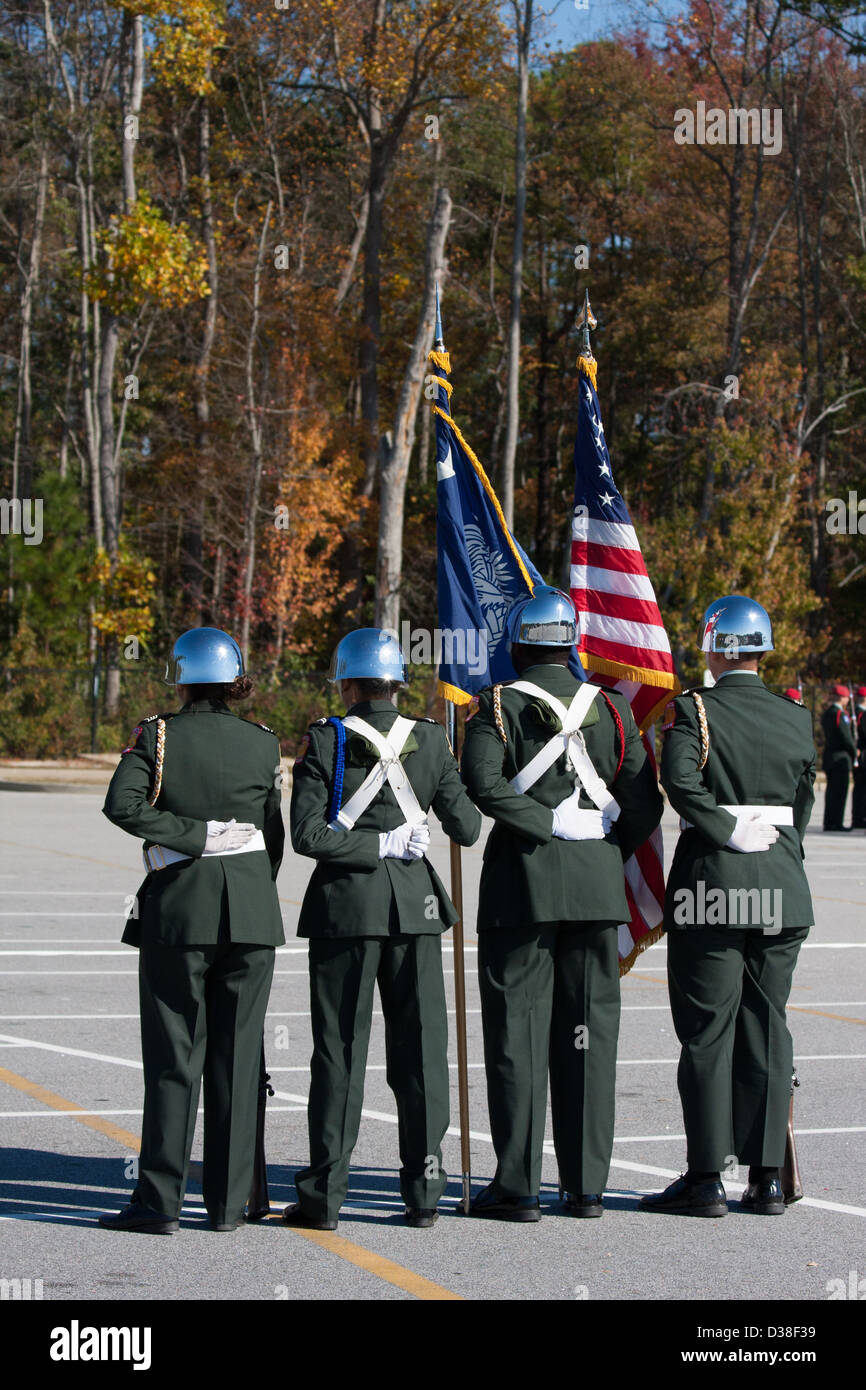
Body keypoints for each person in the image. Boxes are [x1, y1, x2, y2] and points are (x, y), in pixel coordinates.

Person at [459, 586, 663, 1220]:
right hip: (597, 889)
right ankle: (585, 1187)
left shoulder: (496, 704)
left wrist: (544, 827)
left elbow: (482, 784)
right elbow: (644, 802)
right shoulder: (610, 708)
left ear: (519, 645)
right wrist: (598, 844)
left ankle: (518, 1187)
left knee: (517, 1035)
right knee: (587, 1039)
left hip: (523, 885)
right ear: (570, 643)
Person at [286, 628, 481, 1230]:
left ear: (347, 682)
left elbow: (308, 836)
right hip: (418, 910)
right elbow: (469, 828)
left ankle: (323, 1198)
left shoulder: (327, 738)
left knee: (340, 1052)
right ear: (397, 681)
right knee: (422, 1053)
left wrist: (369, 840)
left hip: (348, 909)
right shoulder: (430, 737)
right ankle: (424, 1193)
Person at [99, 628, 284, 1234]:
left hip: (180, 912)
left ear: (180, 677)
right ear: (234, 679)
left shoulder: (157, 735)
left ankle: (159, 1203)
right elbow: (272, 836)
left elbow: (122, 806)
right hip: (252, 914)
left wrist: (191, 839)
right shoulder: (262, 742)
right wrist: (245, 879)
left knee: (175, 1059)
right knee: (237, 1059)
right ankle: (229, 1207)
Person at [641, 595, 815, 1218]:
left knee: (707, 1031)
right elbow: (801, 799)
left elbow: (680, 783)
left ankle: (706, 1177)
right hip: (780, 886)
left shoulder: (694, 710)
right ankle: (767, 1178)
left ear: (716, 647)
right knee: (768, 1027)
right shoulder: (795, 714)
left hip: (714, 885)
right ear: (763, 650)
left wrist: (721, 827)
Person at [821, 684, 856, 832]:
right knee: (839, 792)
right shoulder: (839, 714)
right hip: (840, 757)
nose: (848, 700)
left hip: (830, 755)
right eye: (847, 697)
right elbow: (846, 737)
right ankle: (836, 823)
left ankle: (829, 821)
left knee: (831, 793)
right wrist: (855, 751)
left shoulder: (827, 713)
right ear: (842, 698)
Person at [851, 686, 866, 830]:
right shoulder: (862, 714)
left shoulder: (854, 713)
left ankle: (858, 817)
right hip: (862, 757)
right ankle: (860, 818)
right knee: (861, 790)